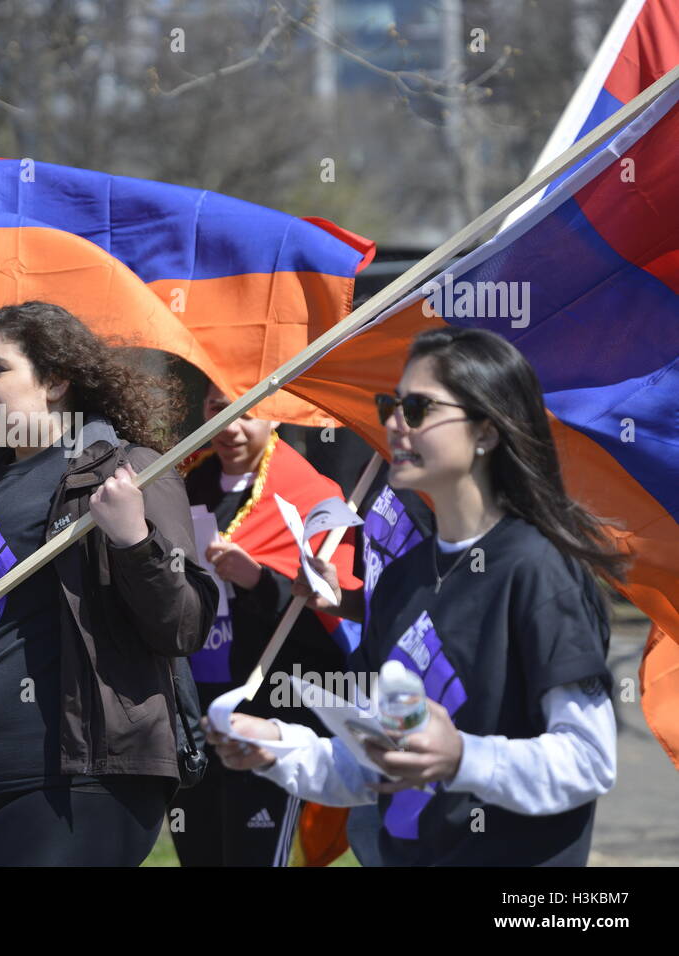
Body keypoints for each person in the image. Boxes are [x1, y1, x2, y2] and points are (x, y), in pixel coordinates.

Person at [207, 326, 626, 866]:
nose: (394, 424)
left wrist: (461, 758)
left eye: (419, 408)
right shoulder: (402, 579)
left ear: (486, 431)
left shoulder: (540, 570)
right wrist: (278, 747)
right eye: (391, 404)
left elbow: (590, 761)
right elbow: (377, 765)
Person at [0, 300, 218, 866]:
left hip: (78, 780)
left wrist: (133, 541)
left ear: (54, 380)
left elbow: (183, 622)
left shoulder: (128, 471)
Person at [169, 384, 359, 867]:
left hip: (267, 709)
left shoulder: (312, 495)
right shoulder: (179, 486)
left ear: (275, 418)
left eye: (247, 413)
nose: (230, 426)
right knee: (199, 849)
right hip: (193, 704)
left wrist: (258, 579)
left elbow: (333, 614)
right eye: (217, 409)